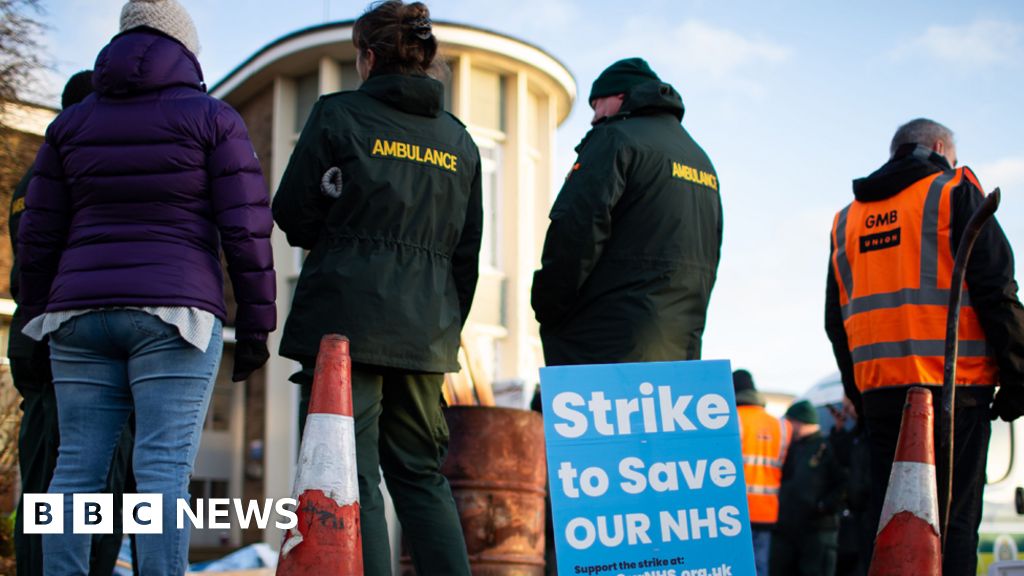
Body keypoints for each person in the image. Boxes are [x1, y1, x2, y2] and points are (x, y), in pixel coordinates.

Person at [17, 0, 276, 573]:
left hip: (77, 315)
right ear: (185, 51)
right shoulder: (212, 118)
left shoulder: (70, 125)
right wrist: (256, 325)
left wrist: (35, 318)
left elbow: (38, 234)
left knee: (75, 468)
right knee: (162, 469)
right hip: (174, 313)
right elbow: (247, 228)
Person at [272, 1, 481, 574]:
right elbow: (468, 252)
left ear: (367, 58)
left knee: (351, 473)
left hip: (345, 324)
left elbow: (292, 212)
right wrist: (441, 328)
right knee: (420, 474)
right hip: (425, 332)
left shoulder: (337, 116)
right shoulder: (459, 141)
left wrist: (335, 216)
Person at [825, 118, 1024, 575]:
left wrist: (859, 395)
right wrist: (1018, 379)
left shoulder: (847, 221)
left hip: (880, 399)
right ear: (938, 147)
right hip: (955, 392)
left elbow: (836, 324)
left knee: (892, 526)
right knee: (950, 527)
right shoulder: (951, 189)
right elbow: (997, 290)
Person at [8, 70, 136, 576]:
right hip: (84, 345)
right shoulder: (85, 166)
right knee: (99, 486)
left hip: (37, 345)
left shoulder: (36, 173)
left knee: (42, 484)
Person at [531, 57, 722, 366]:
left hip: (607, 344)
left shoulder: (615, 139)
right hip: (679, 350)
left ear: (620, 96)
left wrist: (546, 304)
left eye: (597, 105)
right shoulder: (701, 160)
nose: (594, 118)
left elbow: (577, 229)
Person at [770, 400, 845, 576]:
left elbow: (843, 484)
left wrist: (823, 506)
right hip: (787, 531)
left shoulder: (827, 446)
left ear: (798, 421)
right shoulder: (790, 447)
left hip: (817, 532)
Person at [733, 369, 791, 576]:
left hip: (736, 512)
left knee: (736, 567)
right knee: (760, 567)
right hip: (767, 510)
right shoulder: (781, 426)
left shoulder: (732, 420)